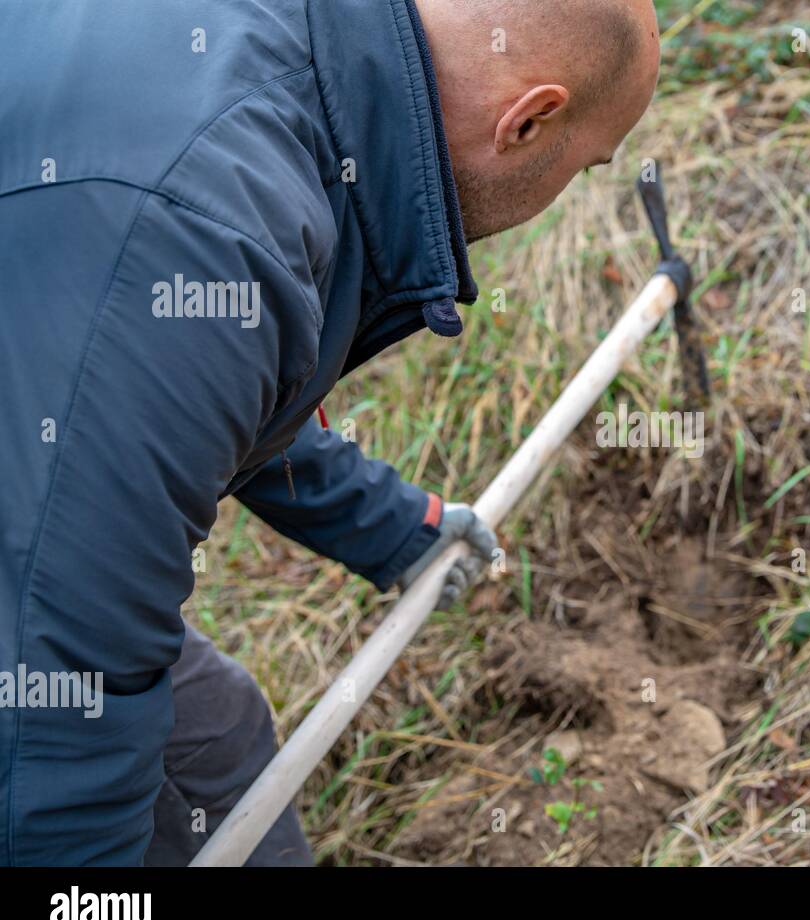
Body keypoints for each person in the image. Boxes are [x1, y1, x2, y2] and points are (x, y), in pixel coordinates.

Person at [0, 0, 662, 865]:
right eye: (583, 169)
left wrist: (392, 526)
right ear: (530, 120)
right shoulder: (208, 223)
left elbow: (180, 389)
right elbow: (57, 693)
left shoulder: (293, 76)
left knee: (210, 747)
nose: (572, 188)